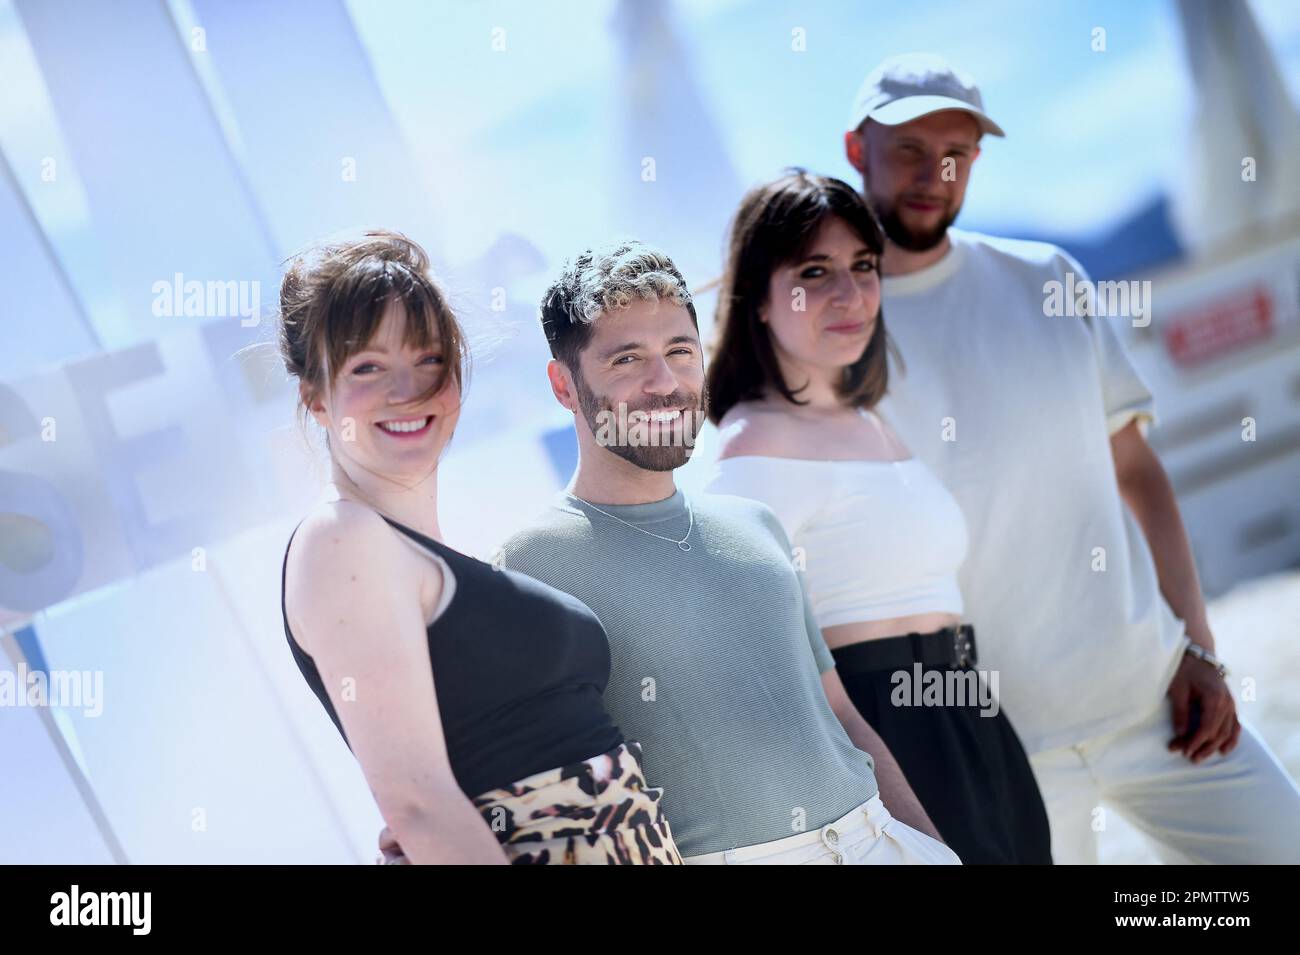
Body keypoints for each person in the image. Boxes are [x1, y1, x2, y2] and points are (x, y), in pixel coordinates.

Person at [843, 52, 1300, 863]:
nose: (934, 173)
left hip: (1154, 697)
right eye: (909, 148)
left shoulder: (1046, 279)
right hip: (1002, 749)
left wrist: (1197, 647)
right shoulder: (835, 338)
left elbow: (1137, 470)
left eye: (957, 153)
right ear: (857, 150)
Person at [385, 239, 959, 866]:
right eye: (627, 360)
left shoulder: (757, 525)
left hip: (882, 841)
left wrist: (929, 844)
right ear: (563, 385)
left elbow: (841, 715)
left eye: (680, 352)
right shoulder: (528, 565)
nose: (665, 384)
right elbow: (502, 768)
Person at [277, 229, 681, 864]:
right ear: (314, 397)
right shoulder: (341, 539)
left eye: (429, 360)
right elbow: (418, 806)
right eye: (367, 367)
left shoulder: (428, 558)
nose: (406, 389)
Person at [702, 170, 1052, 864]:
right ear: (760, 301)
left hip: (973, 714)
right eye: (815, 271)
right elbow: (748, 651)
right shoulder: (752, 440)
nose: (850, 293)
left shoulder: (871, 418)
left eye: (864, 266)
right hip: (884, 730)